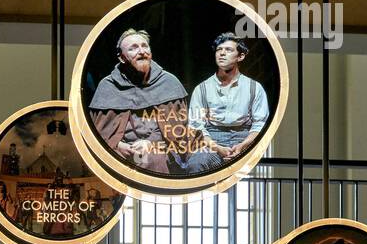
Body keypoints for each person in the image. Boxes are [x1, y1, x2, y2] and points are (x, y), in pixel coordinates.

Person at [88, 28, 200, 175]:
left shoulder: (168, 83)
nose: (141, 51)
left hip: (160, 149)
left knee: (150, 158)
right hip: (119, 149)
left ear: (151, 53)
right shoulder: (108, 87)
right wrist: (118, 145)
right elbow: (99, 134)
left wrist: (151, 143)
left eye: (144, 46)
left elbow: (178, 132)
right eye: (133, 48)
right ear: (121, 57)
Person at [184, 32, 270, 172]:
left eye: (228, 50)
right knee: (195, 163)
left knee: (256, 164)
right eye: (219, 50)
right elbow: (196, 125)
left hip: (245, 139)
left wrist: (244, 145)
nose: (222, 53)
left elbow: (260, 123)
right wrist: (216, 148)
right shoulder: (202, 89)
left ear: (240, 56)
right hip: (212, 140)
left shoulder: (254, 88)